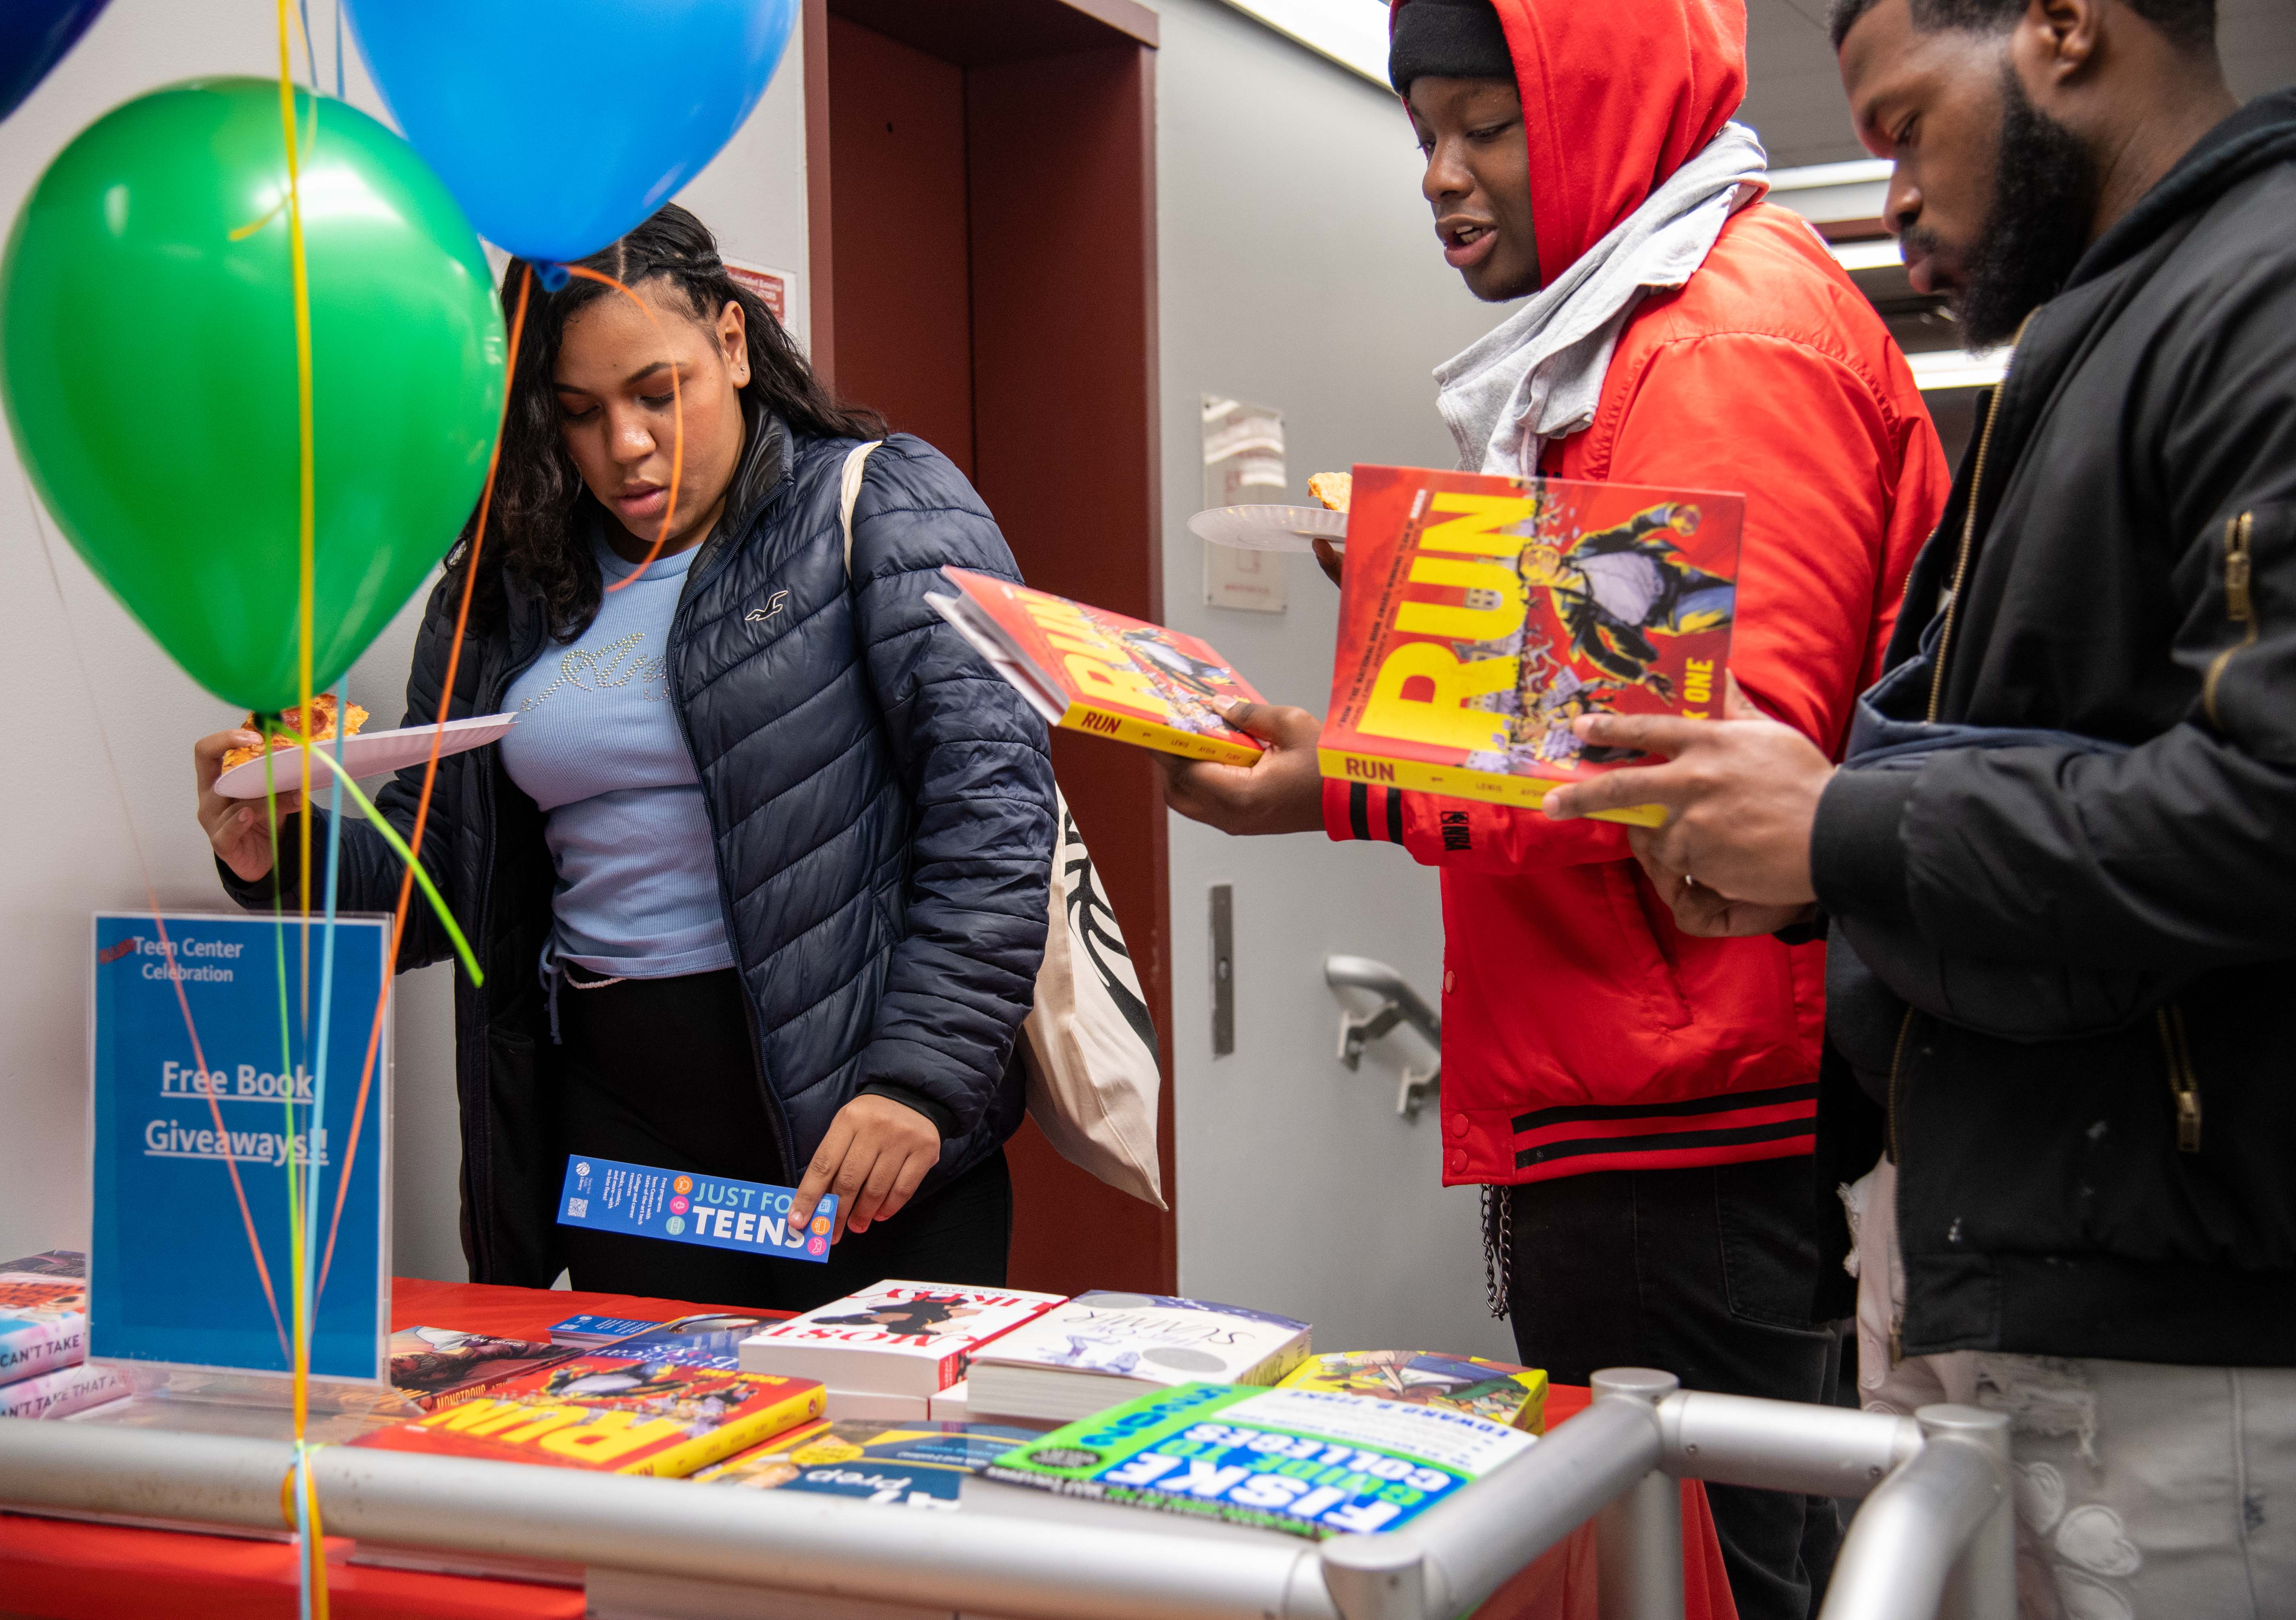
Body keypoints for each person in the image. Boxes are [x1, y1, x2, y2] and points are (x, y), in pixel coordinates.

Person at [1160, 3, 1947, 1614]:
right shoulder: (1651, 329)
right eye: (1422, 133)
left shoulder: (1716, 345)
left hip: (1693, 1116)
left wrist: (1337, 777)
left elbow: (1708, 797)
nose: (1441, 179)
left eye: (1487, 128)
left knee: (1713, 1582)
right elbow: (1612, 686)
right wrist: (1378, 690)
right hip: (1664, 1092)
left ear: (1603, 102)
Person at [1543, 0, 2296, 1611]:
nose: (1888, 195)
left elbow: (2272, 804)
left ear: (2063, 26)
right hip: (2050, 1283)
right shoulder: (2103, 339)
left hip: (2191, 1327)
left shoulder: (2263, 291)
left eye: (1901, 128)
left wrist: (1836, 834)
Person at [195, 204, 1056, 1310]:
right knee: (651, 1479)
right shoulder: (500, 588)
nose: (628, 447)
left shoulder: (880, 503)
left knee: (867, 1471)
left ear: (734, 346)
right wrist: (285, 848)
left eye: (659, 393)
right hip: (628, 1143)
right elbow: (446, 867)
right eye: (580, 416)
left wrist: (922, 1083)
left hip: (864, 1135)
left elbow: (993, 818)